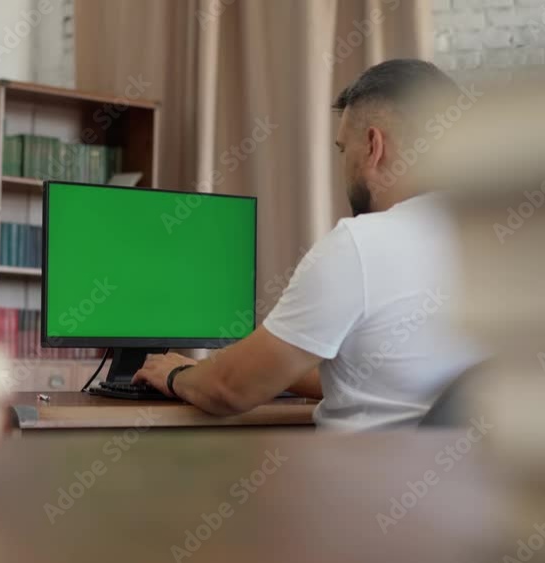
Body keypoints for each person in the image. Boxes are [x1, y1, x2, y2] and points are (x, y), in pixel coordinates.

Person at [132, 59, 482, 430]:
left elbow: (231, 390)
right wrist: (221, 369)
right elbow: (384, 382)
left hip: (361, 485)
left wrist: (177, 374)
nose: (343, 165)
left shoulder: (360, 245)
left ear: (373, 146)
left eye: (342, 150)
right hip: (453, 484)